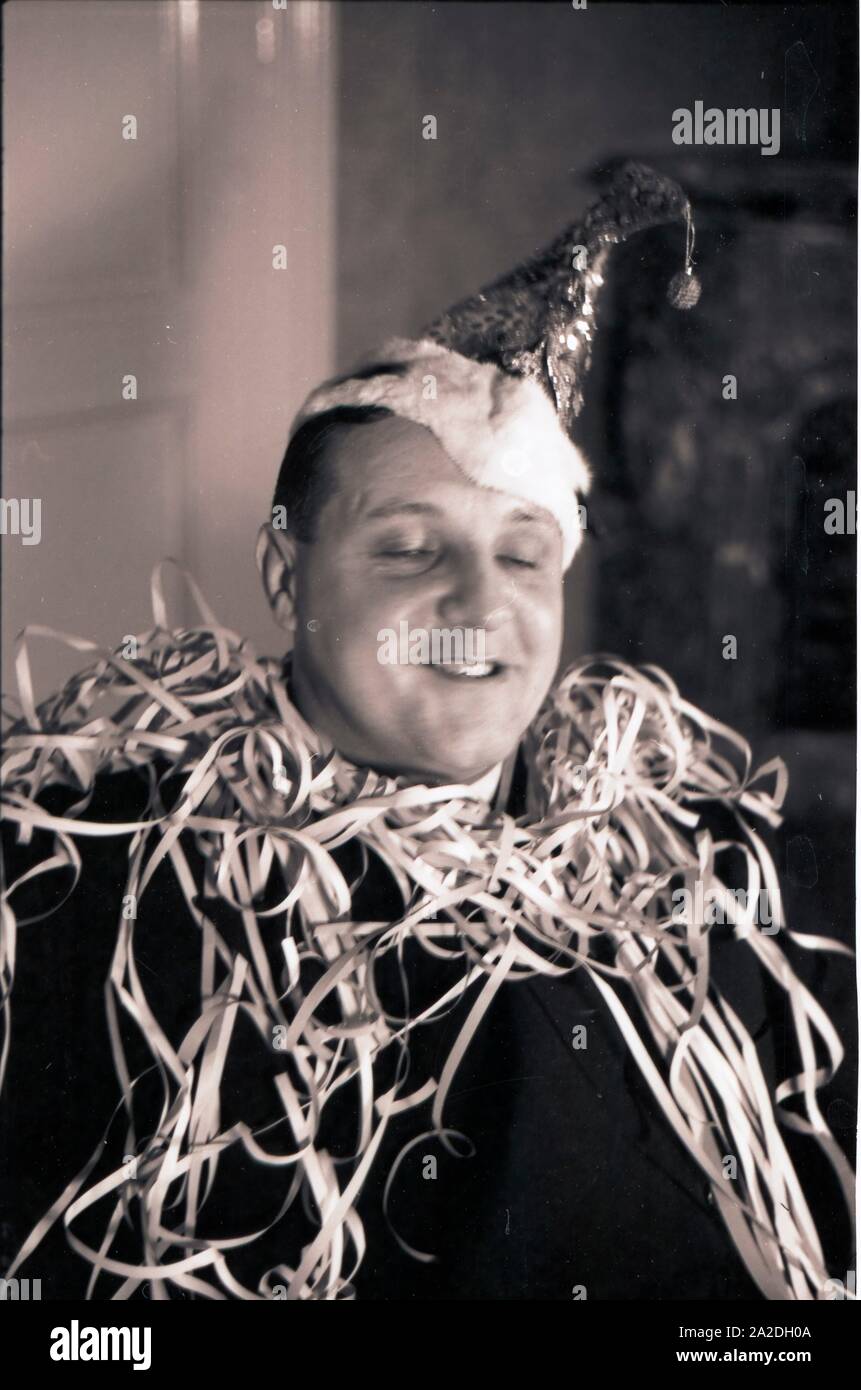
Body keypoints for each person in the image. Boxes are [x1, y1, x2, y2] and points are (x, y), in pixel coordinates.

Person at [0, 163, 853, 1301]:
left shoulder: (691, 864)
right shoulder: (92, 877)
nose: (477, 601)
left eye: (522, 551)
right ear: (286, 576)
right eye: (408, 547)